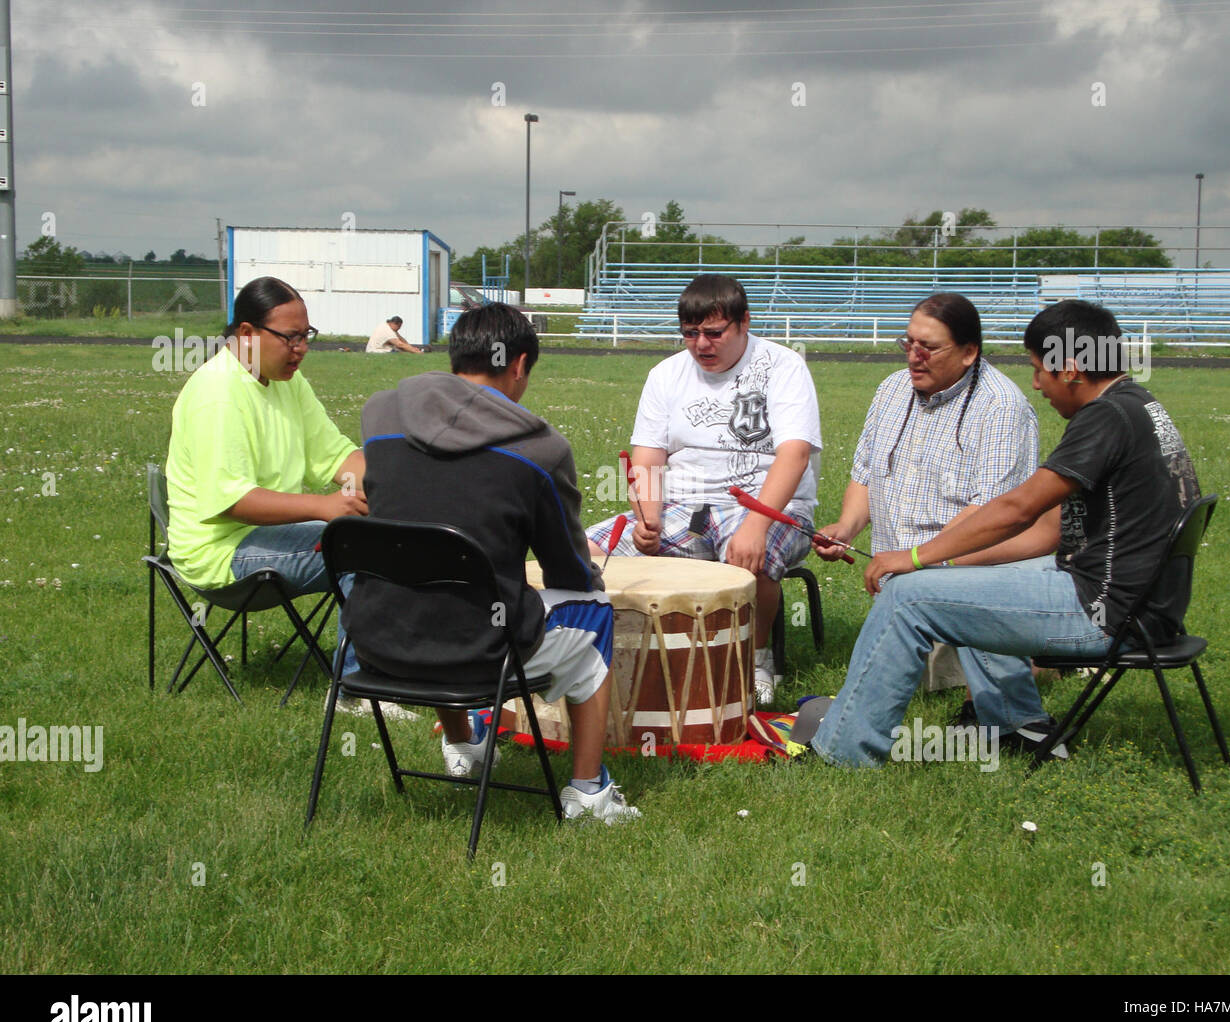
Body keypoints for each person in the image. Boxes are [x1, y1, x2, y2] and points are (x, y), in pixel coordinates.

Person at [808, 299, 1201, 768]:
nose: (1035, 385)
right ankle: (1015, 724)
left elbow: (1017, 510)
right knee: (950, 584)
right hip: (1144, 608)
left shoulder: (1104, 419)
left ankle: (842, 752)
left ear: (1071, 368)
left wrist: (913, 560)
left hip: (1105, 612)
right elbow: (1050, 529)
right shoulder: (1138, 405)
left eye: (1039, 370)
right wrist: (948, 567)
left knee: (907, 597)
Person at [345, 302, 640, 824]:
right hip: (479, 650)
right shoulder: (540, 449)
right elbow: (567, 573)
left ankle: (465, 747)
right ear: (520, 364)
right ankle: (590, 793)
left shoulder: (380, 415)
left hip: (374, 640)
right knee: (594, 611)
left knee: (431, 582)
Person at [811, 292, 1058, 734]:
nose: (915, 357)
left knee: (920, 675)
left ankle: (1026, 668)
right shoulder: (890, 389)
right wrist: (846, 528)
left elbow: (992, 515)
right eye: (908, 344)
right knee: (913, 675)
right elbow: (866, 474)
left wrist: (918, 560)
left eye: (929, 347)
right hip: (899, 574)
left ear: (969, 353)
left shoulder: (1002, 407)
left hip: (960, 570)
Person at [164, 276, 401, 715]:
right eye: (290, 337)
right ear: (248, 334)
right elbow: (233, 502)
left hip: (263, 534)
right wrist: (324, 507)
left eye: (306, 336)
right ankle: (357, 691)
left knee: (386, 535)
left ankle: (394, 669)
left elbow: (335, 457)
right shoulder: (218, 394)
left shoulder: (287, 382)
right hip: (220, 551)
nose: (301, 349)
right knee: (362, 550)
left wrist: (401, 482)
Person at [585, 274, 822, 703]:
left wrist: (756, 524)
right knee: (584, 551)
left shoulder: (783, 366)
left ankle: (757, 658)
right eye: (690, 334)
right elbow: (647, 458)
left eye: (714, 333)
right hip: (685, 504)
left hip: (766, 503)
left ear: (744, 322)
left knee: (753, 554)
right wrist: (647, 518)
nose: (701, 345)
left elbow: (794, 456)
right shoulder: (666, 374)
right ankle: (607, 659)